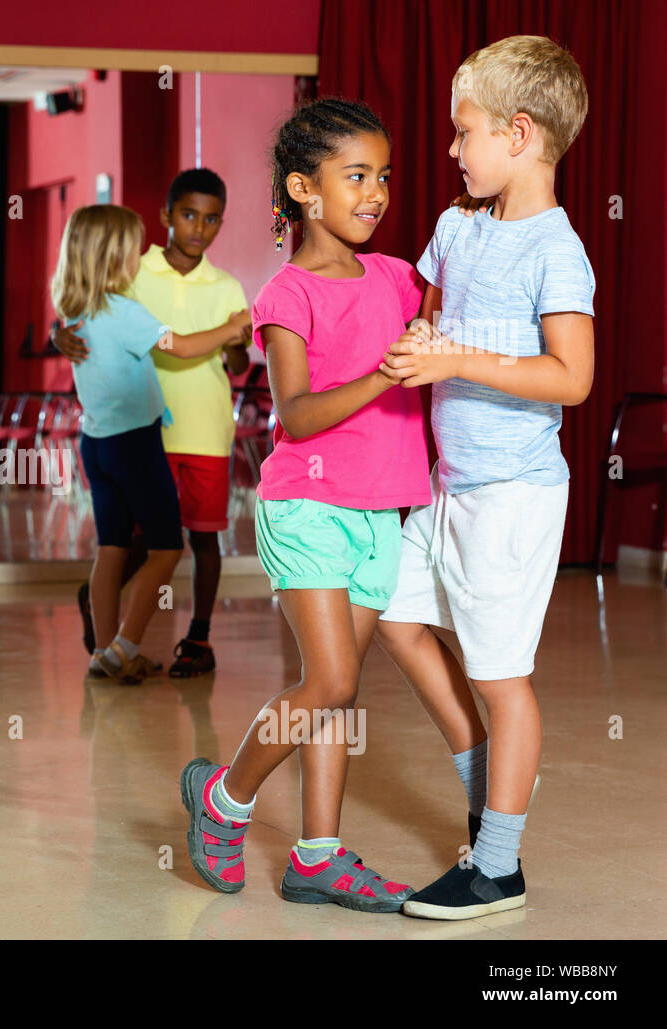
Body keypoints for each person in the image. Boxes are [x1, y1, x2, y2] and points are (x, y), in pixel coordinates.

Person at [180, 99, 430, 911]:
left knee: (340, 687)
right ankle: (224, 799)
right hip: (308, 507)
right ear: (303, 187)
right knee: (326, 679)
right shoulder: (287, 294)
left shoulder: (395, 279)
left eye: (383, 176)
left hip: (379, 514)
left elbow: (438, 319)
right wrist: (386, 375)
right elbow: (295, 414)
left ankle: (317, 854)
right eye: (356, 175)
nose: (376, 192)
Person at [378, 36, 594, 920]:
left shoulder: (558, 247)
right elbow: (428, 317)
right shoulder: (454, 226)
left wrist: (458, 356)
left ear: (520, 132)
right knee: (396, 620)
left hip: (513, 492)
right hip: (450, 480)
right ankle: (487, 788)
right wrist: (424, 340)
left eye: (465, 134)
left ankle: (497, 865)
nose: (454, 151)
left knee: (503, 675)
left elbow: (570, 378)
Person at [55, 170, 253, 677]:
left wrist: (234, 342)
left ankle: (110, 650)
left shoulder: (80, 305)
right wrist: (234, 325)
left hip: (110, 442)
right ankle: (120, 649)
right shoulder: (129, 296)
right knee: (164, 547)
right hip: (143, 442)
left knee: (115, 547)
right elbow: (183, 346)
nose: (198, 228)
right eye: (188, 215)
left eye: (211, 219)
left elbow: (236, 364)